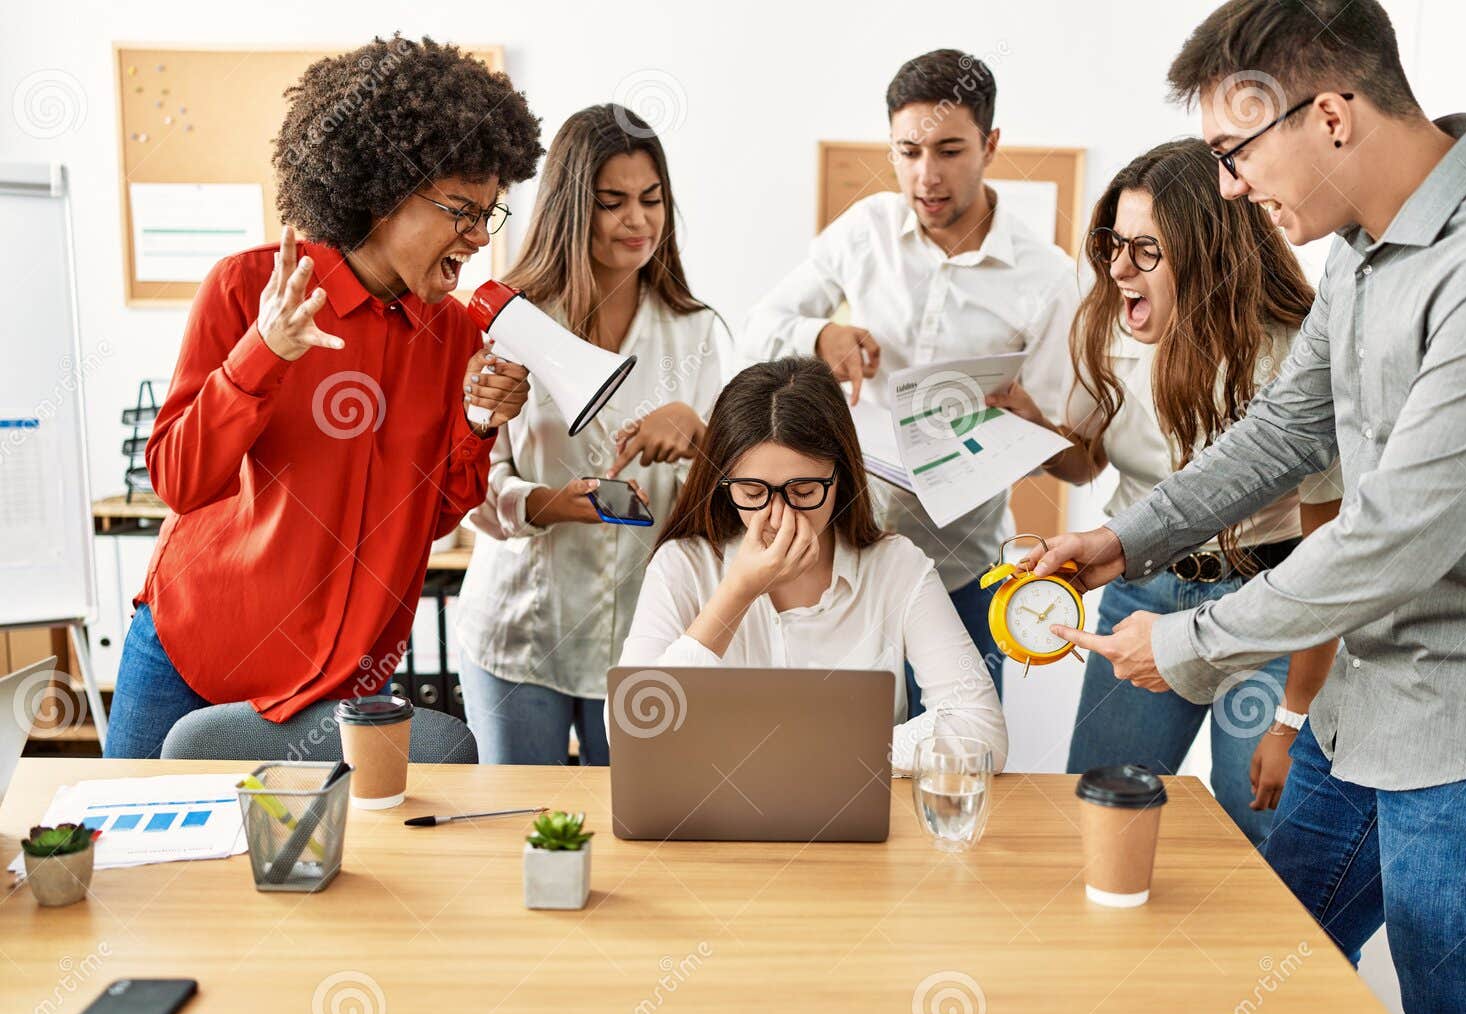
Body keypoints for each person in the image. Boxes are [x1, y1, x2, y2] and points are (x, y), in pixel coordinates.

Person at [1024, 0, 1466, 1014]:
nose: (1232, 186)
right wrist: (1124, 542)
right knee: (1268, 966)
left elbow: (1395, 535)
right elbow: (1283, 429)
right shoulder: (1364, 254)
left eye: (1234, 153)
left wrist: (1192, 643)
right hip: (1372, 706)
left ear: (1329, 115)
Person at [105, 36, 543, 758]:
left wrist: (475, 422)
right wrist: (262, 355)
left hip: (342, 684)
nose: (477, 236)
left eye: (488, 213)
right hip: (189, 655)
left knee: (320, 868)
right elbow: (179, 480)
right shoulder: (248, 289)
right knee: (137, 864)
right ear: (380, 194)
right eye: (462, 210)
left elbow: (427, 521)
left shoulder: (457, 338)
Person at [987, 138, 1341, 844]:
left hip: (1263, 608)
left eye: (1145, 249)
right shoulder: (1105, 327)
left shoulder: (1297, 359)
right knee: (1100, 813)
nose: (1118, 268)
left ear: (1206, 251)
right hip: (1141, 590)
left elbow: (1327, 556)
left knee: (1260, 839)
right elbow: (1086, 462)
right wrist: (1032, 431)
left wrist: (1292, 717)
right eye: (1113, 243)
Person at [742, 48, 1077, 715]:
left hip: (964, 572)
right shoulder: (865, 231)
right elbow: (758, 327)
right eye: (908, 151)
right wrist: (821, 337)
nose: (927, 175)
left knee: (963, 748)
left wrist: (1023, 424)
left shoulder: (1048, 277)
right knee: (835, 753)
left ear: (991, 144)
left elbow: (1069, 449)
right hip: (846, 557)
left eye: (950, 150)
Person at [455, 105, 729, 767]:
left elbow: (732, 499)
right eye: (612, 202)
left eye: (652, 199)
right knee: (524, 831)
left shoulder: (693, 331)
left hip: (648, 635)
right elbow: (467, 485)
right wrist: (553, 504)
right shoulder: (507, 323)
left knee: (639, 832)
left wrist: (701, 439)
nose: (638, 221)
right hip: (522, 631)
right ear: (572, 206)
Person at [619, 357, 1007, 768]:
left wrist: (824, 751)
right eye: (753, 493)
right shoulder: (683, 565)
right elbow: (630, 732)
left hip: (853, 820)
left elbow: (981, 730)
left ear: (841, 478)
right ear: (722, 483)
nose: (779, 515)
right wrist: (736, 593)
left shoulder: (897, 567)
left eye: (803, 491)